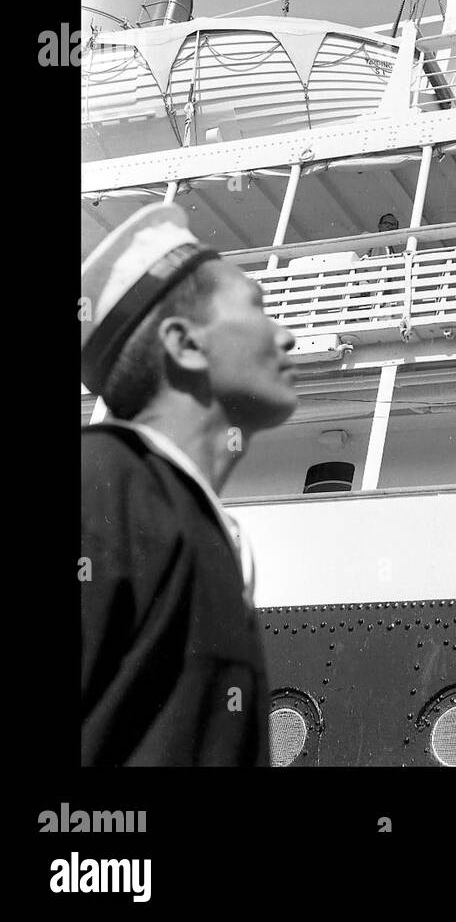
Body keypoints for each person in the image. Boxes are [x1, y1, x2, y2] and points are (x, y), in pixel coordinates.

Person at [80, 204, 299, 765]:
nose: (289, 335)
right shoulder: (101, 482)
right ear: (186, 345)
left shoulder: (194, 522)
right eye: (259, 307)